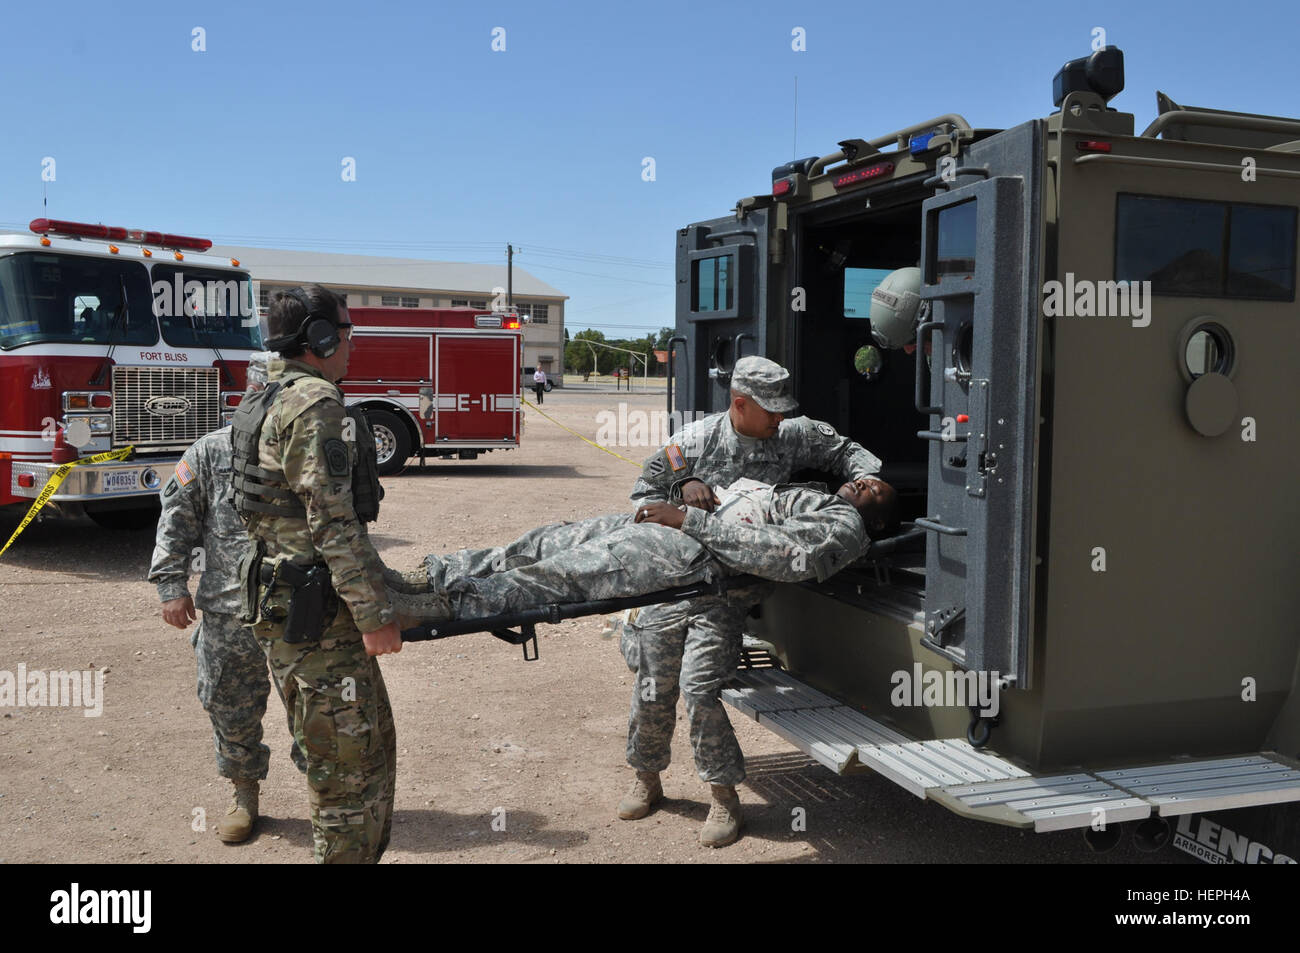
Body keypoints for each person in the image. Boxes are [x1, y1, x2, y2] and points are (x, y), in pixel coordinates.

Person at [624, 355, 883, 846]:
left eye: (785, 409)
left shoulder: (792, 433)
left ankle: (723, 798)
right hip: (674, 580)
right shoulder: (693, 443)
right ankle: (647, 776)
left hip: (728, 591)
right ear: (740, 404)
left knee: (700, 687)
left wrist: (863, 490)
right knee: (653, 684)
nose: (780, 419)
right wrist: (681, 487)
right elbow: (641, 499)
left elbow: (852, 454)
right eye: (771, 411)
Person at [230, 284, 402, 865]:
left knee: (360, 749)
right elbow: (332, 523)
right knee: (347, 772)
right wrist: (376, 616)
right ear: (322, 339)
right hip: (318, 622)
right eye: (346, 332)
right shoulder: (315, 404)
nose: (350, 344)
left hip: (289, 610)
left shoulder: (261, 399)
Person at [148, 351, 305, 844]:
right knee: (230, 705)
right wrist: (171, 586)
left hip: (299, 607)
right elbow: (177, 519)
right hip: (228, 609)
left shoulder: (305, 449)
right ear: (248, 396)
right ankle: (245, 796)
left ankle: (329, 797)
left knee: (315, 707)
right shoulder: (211, 451)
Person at [389, 477, 898, 627]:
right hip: (686, 528)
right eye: (868, 479)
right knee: (547, 540)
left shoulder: (845, 527)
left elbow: (784, 558)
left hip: (690, 550)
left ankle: (442, 605)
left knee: (560, 574)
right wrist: (696, 492)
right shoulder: (822, 496)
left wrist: (691, 519)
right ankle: (431, 575)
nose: (866, 482)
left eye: (876, 491)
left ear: (874, 521)